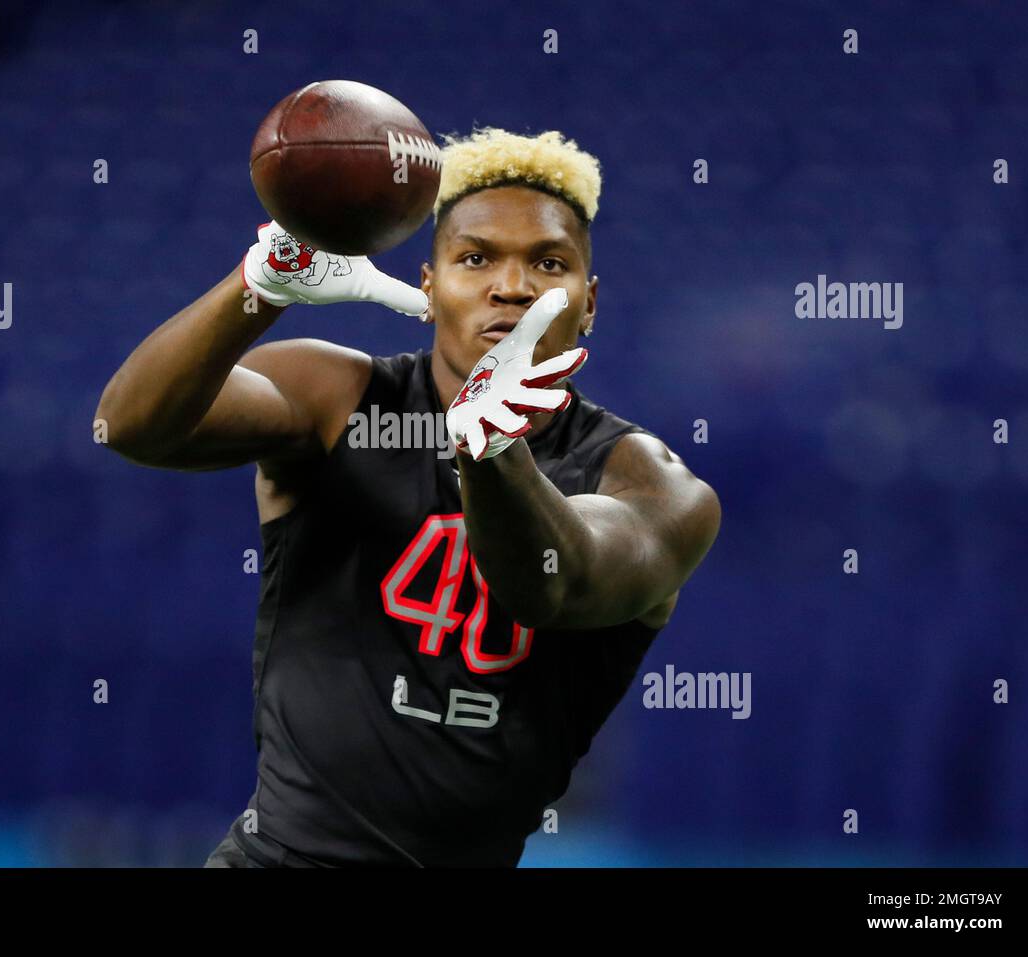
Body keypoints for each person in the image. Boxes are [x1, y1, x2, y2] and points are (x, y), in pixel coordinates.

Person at [96, 127, 721, 867]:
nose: (512, 287)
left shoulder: (653, 483)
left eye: (548, 263)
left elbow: (549, 583)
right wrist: (256, 290)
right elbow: (130, 427)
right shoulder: (334, 396)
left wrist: (490, 449)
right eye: (476, 257)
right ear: (429, 287)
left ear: (588, 301)